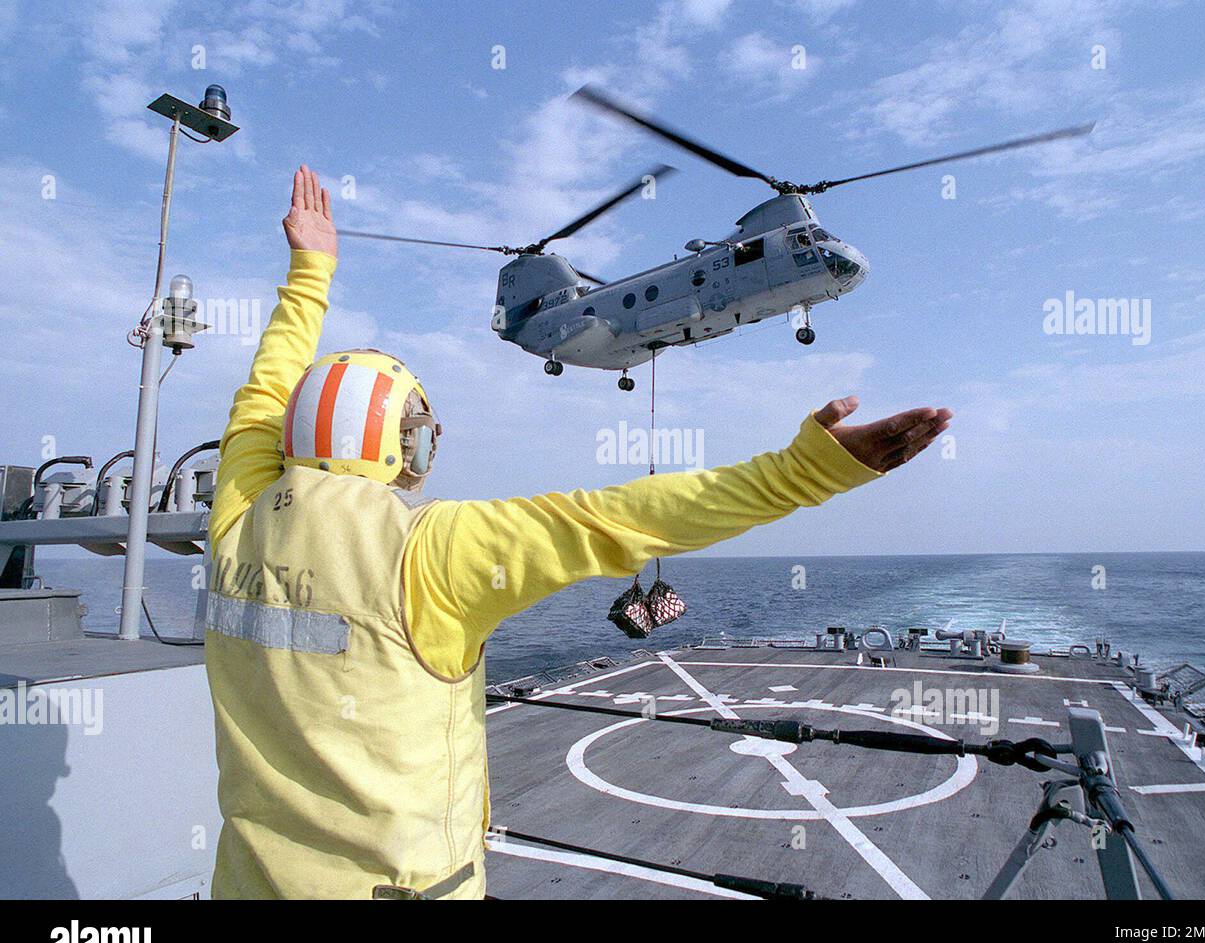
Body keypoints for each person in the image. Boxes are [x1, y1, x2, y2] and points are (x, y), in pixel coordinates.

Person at [204, 165, 953, 899]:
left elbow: (265, 390)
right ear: (410, 446)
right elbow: (630, 517)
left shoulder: (235, 518)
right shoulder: (429, 551)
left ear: (291, 437)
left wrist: (309, 270)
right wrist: (810, 470)